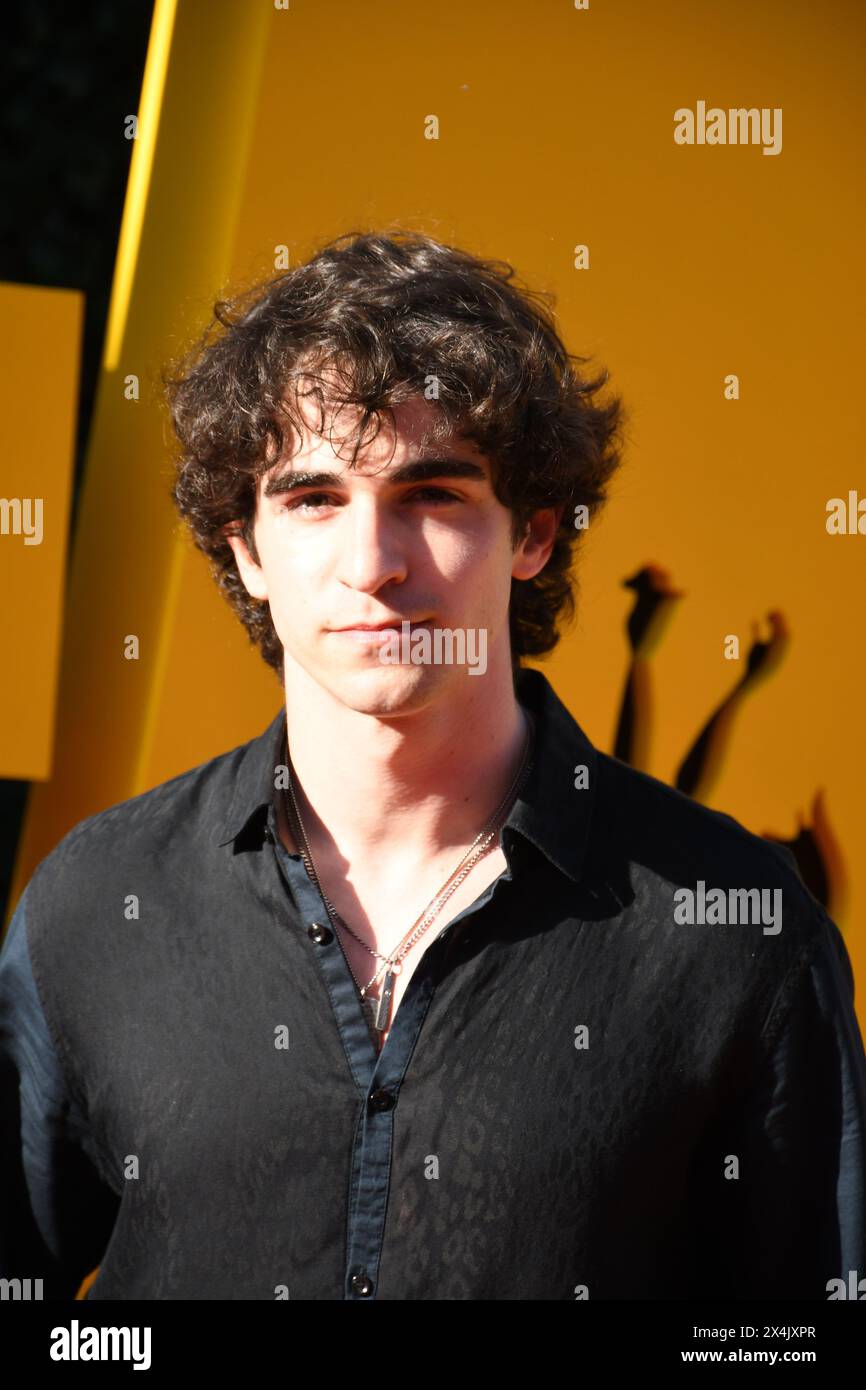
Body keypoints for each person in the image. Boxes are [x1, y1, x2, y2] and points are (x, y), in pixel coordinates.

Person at [1, 230, 864, 1302]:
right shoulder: (101, 902)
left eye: (432, 492)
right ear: (246, 551)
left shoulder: (735, 932)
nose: (373, 563)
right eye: (314, 499)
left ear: (535, 534)